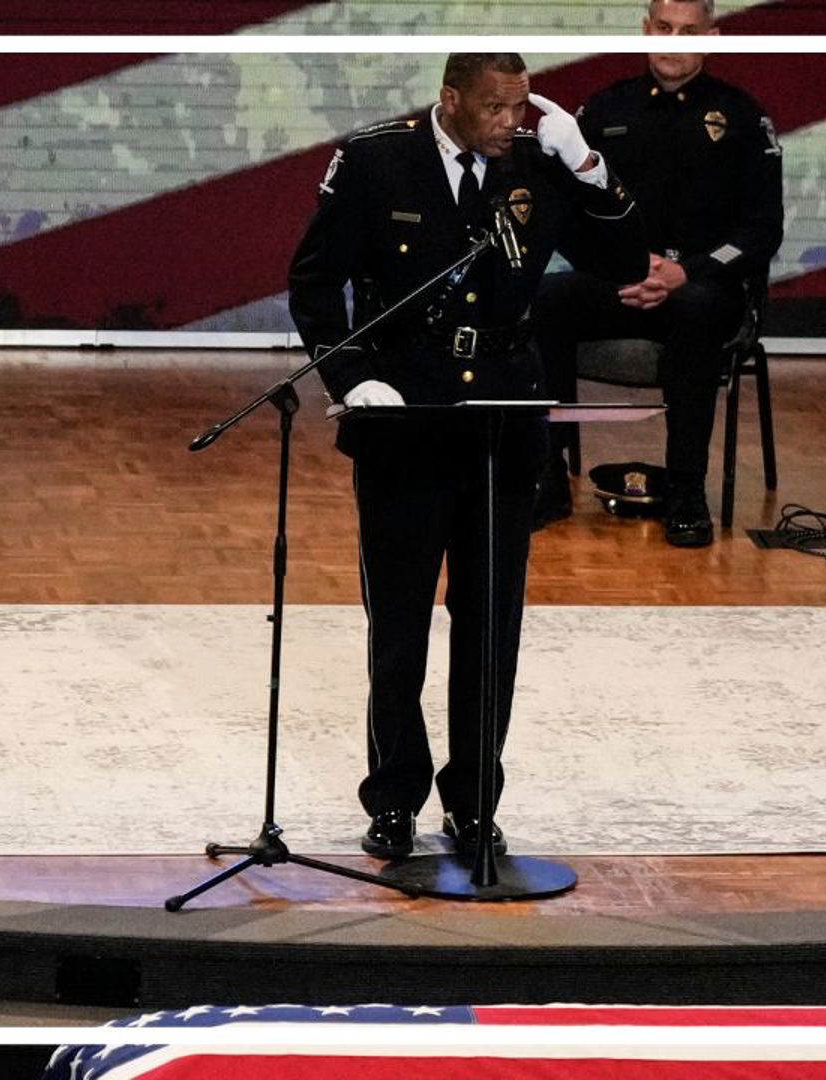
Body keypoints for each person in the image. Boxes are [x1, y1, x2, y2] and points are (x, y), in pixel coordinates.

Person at [289, 53, 646, 860]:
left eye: (520, 108)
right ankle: (394, 800)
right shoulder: (378, 160)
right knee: (401, 626)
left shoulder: (540, 160)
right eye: (493, 108)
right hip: (405, 416)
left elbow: (626, 265)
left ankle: (475, 801)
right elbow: (315, 284)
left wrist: (586, 161)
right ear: (449, 99)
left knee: (491, 625)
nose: (509, 124)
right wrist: (352, 376)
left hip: (503, 420)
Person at [533, 0, 785, 546]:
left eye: (689, 31)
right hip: (619, 280)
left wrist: (685, 272)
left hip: (704, 289)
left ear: (712, 37)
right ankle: (546, 476)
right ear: (646, 31)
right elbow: (565, 215)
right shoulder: (602, 110)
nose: (673, 41)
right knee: (548, 300)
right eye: (664, 28)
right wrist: (622, 267)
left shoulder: (742, 117)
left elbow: (764, 230)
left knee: (696, 311)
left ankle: (687, 492)